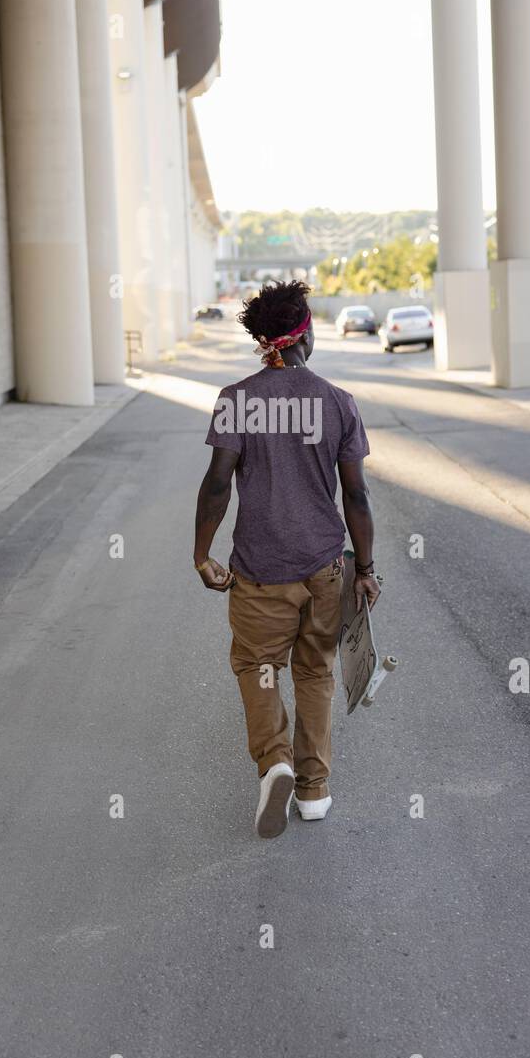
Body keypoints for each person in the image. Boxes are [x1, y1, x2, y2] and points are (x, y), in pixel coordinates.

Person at [193, 280, 380, 839]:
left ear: (263, 338)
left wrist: (201, 553)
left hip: (258, 570)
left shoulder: (237, 399)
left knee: (259, 666)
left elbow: (217, 482)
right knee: (315, 670)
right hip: (324, 567)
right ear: (307, 333)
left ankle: (275, 760)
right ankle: (313, 791)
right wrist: (365, 570)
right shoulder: (338, 402)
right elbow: (357, 496)